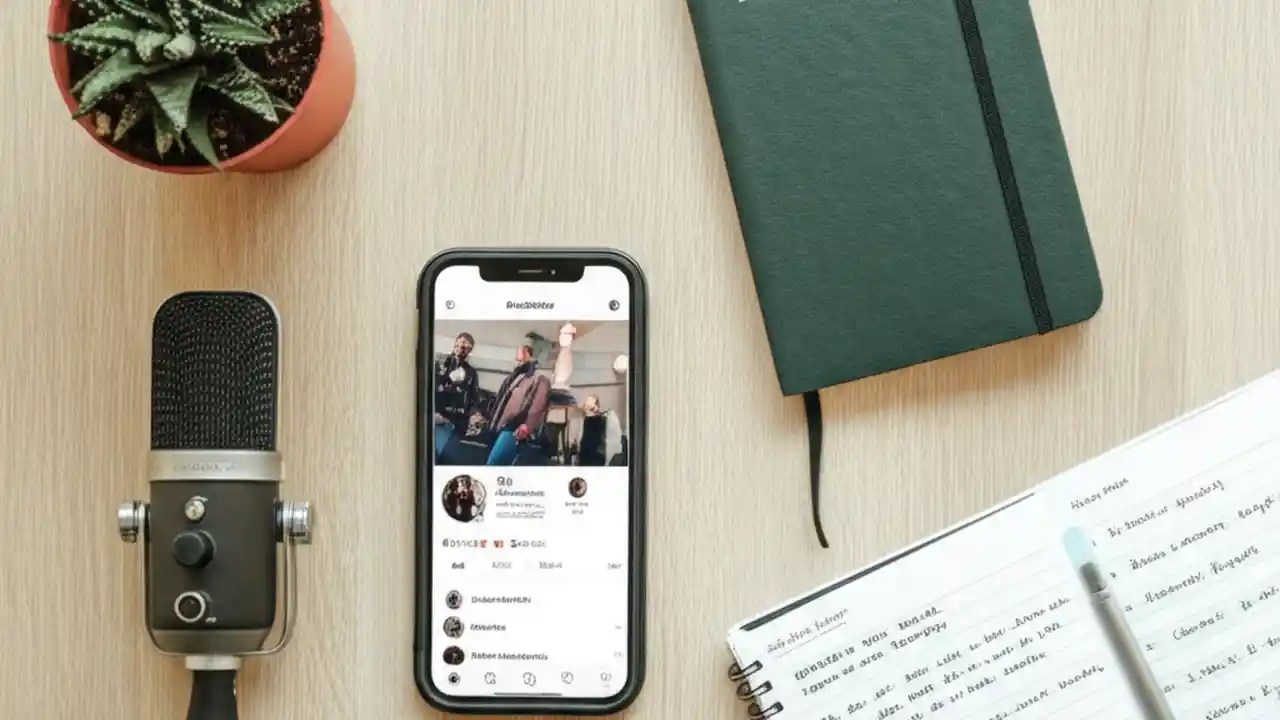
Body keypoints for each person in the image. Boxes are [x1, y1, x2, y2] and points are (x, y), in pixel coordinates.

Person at [485, 345, 552, 465]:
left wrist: (527, 426)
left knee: (494, 465)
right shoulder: (513, 378)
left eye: (520, 359)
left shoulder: (539, 379)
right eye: (517, 359)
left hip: (514, 430)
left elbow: (539, 405)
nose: (518, 362)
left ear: (530, 356)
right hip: (500, 428)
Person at [434, 332, 479, 459]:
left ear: (469, 350)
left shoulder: (471, 373)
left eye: (465, 347)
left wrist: (475, 414)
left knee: (442, 455)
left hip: (453, 422)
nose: (460, 349)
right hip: (436, 416)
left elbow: (474, 399)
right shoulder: (440, 365)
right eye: (458, 345)